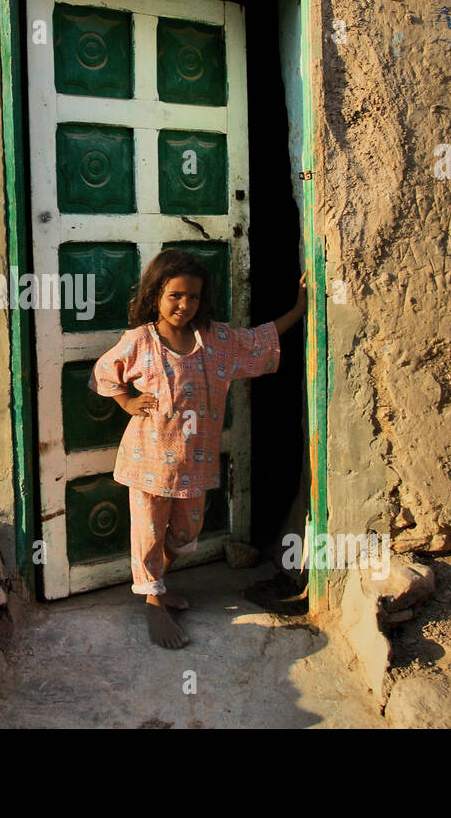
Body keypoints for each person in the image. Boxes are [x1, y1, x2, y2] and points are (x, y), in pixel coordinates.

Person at [89, 248, 307, 648]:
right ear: (156, 294)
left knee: (187, 532)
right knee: (148, 534)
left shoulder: (216, 340)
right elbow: (105, 373)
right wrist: (126, 402)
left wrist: (299, 308)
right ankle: (154, 602)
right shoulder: (140, 341)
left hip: (195, 462)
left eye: (193, 296)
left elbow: (258, 341)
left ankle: (157, 582)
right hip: (148, 460)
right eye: (175, 295)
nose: (184, 305)